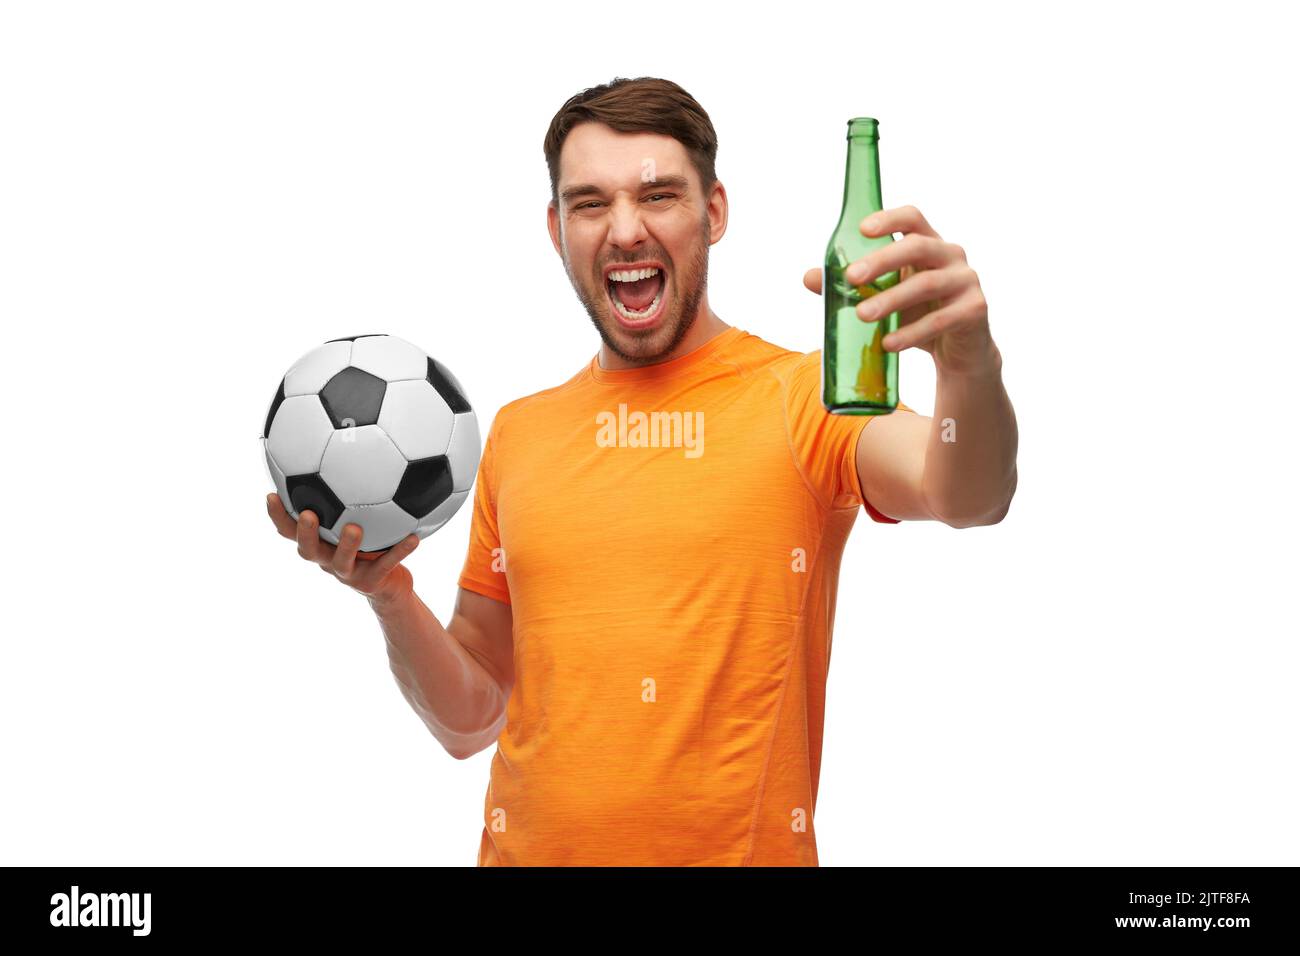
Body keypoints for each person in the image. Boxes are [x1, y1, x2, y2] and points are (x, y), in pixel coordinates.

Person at [265, 76, 1018, 866]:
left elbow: (967, 492)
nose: (625, 230)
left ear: (714, 212)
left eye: (658, 196)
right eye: (590, 204)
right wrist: (388, 594)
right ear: (557, 229)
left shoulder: (805, 399)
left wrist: (970, 361)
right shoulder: (519, 435)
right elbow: (471, 720)